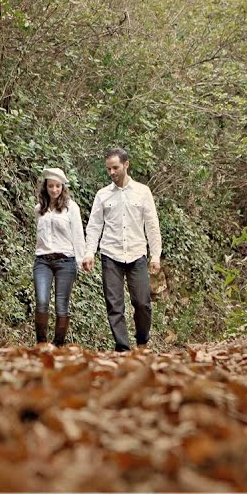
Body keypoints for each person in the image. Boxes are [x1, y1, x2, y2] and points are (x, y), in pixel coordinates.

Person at [81, 148, 162, 352]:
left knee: (142, 303)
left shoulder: (143, 192)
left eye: (115, 167)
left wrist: (156, 255)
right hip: (111, 254)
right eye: (108, 169)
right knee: (114, 305)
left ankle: (142, 341)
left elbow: (152, 225)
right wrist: (89, 252)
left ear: (126, 165)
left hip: (137, 254)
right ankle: (122, 348)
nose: (112, 172)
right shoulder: (102, 195)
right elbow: (94, 226)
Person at [32, 167, 86, 347]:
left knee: (61, 304)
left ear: (63, 187)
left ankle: (58, 346)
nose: (54, 190)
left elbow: (78, 235)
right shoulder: (39, 209)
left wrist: (81, 261)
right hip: (43, 261)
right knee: (41, 300)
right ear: (45, 187)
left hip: (66, 261)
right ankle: (41, 344)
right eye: (50, 186)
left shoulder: (71, 208)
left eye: (57, 186)